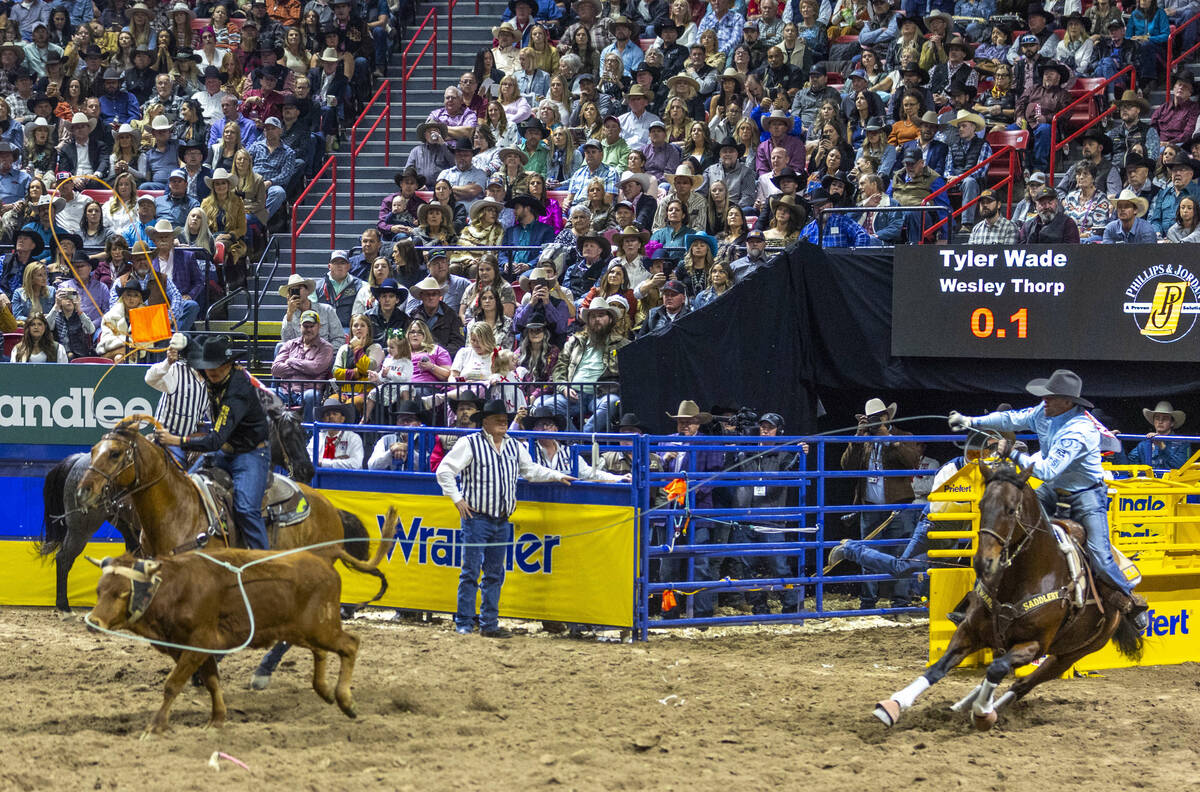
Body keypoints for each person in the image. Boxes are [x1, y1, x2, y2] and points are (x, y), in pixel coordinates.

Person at [948, 369, 1149, 629]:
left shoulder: (1079, 430)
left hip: (1086, 495)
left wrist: (1012, 453)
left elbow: (1047, 470)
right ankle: (976, 601)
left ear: (1067, 402)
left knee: (1100, 553)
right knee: (1006, 529)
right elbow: (1010, 418)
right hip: (1053, 489)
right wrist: (970, 420)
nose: (1045, 401)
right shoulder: (1044, 413)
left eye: (1051, 397)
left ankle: (1129, 600)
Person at [436, 398, 575, 637]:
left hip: (501, 519)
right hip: (477, 517)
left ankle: (488, 623)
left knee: (493, 574)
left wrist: (555, 475)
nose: (503, 422)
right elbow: (444, 471)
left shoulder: (513, 446)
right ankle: (465, 622)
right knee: (471, 572)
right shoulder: (469, 443)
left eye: (505, 419)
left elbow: (530, 470)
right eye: (498, 419)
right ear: (485, 422)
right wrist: (457, 498)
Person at [156, 336, 273, 550]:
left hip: (251, 454)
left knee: (247, 509)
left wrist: (176, 440)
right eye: (207, 366)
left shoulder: (238, 392)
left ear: (228, 365)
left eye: (216, 366)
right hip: (226, 452)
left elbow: (215, 440)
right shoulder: (211, 371)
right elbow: (193, 351)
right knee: (186, 489)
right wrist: (184, 341)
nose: (210, 371)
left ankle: (261, 559)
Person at [840, 397, 922, 610]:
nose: (875, 422)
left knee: (901, 554)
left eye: (878, 418)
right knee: (867, 554)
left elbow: (912, 462)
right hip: (870, 506)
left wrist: (889, 439)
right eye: (872, 419)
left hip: (899, 507)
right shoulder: (865, 440)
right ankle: (868, 603)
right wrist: (857, 437)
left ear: (887, 417)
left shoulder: (904, 437)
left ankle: (900, 603)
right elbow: (847, 466)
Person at [539, 295, 627, 431]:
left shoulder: (622, 344)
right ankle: (576, 440)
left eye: (601, 315)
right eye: (593, 316)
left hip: (602, 394)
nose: (597, 319)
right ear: (588, 321)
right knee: (547, 405)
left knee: (611, 402)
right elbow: (560, 367)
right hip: (573, 394)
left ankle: (584, 438)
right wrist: (564, 388)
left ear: (610, 319)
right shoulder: (575, 341)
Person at [145, 333, 210, 461]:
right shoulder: (176, 370)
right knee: (177, 463)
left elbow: (212, 413)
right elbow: (149, 378)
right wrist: (167, 363)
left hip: (190, 439)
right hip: (167, 436)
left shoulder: (211, 382)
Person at [271, 309, 335, 422]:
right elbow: (275, 369)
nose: (308, 329)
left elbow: (315, 368)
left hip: (309, 390)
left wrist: (291, 361)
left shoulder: (326, 348)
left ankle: (309, 432)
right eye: (305, 326)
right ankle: (269, 431)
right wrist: (304, 368)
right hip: (285, 391)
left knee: (311, 396)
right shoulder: (290, 344)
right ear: (300, 326)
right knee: (265, 394)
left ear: (319, 326)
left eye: (312, 326)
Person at [1117, 401, 1191, 470]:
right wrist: (1117, 444)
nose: (1160, 421)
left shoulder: (1182, 443)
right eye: (1157, 418)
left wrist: (1162, 447)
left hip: (1172, 480)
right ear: (1153, 421)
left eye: (1165, 418)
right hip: (1149, 480)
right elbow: (1127, 466)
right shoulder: (1144, 444)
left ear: (1172, 423)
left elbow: (1181, 468)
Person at [278, 272, 344, 345]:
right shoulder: (288, 317)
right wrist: (289, 315)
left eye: (299, 288)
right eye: (292, 290)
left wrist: (327, 350)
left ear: (307, 291)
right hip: (300, 351)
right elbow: (286, 342)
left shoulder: (326, 310)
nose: (296, 292)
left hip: (324, 350)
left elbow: (339, 338)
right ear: (289, 295)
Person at [367, 399, 426, 470]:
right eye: (401, 420)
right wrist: (390, 452)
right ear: (397, 423)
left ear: (419, 423)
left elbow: (427, 466)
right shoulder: (385, 440)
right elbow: (371, 466)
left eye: (409, 420)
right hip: (389, 477)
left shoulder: (426, 441)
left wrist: (408, 450)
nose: (405, 423)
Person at [315, 397, 363, 469]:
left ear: (342, 419)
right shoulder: (317, 437)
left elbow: (356, 464)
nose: (331, 416)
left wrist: (323, 462)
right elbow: (308, 459)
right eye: (327, 414)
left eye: (335, 414)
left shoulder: (353, 438)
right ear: (323, 420)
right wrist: (339, 461)